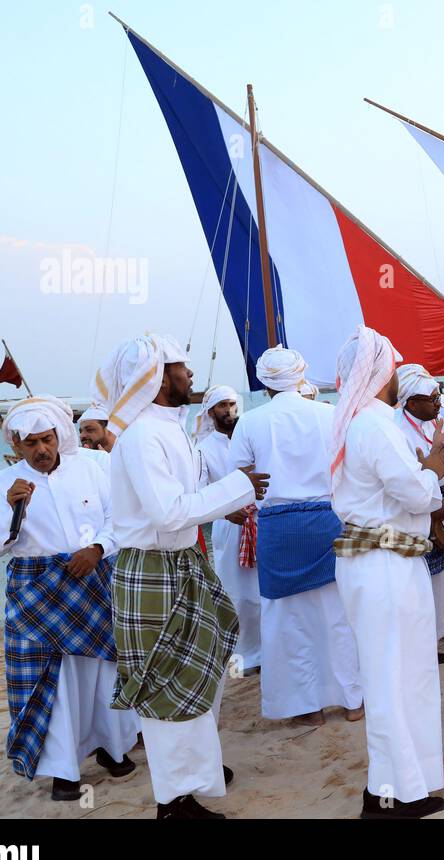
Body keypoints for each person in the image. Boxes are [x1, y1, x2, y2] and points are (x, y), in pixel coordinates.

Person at [99, 334, 268, 820]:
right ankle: (173, 803)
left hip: (183, 563)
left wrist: (227, 497)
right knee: (165, 682)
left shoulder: (168, 429)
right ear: (154, 376)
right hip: (153, 569)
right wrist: (237, 488)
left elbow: (184, 508)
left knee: (202, 671)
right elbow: (169, 512)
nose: (190, 374)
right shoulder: (142, 436)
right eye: (180, 366)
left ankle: (196, 775)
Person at [330, 327, 444, 819]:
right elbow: (417, 495)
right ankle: (391, 796)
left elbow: (414, 486)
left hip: (388, 560)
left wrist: (434, 462)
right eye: (392, 365)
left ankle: (399, 785)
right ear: (380, 372)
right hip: (383, 563)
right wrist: (435, 465)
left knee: (407, 674)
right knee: (393, 678)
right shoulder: (373, 425)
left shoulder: (370, 421)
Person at [0, 396, 139, 801]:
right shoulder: (4, 484)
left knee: (102, 671)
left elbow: (117, 519)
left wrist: (98, 549)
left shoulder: (90, 468)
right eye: (30, 443)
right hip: (35, 591)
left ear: (59, 436)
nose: (41, 450)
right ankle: (63, 770)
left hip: (92, 579)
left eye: (46, 439)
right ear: (17, 446)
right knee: (52, 680)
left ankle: (111, 748)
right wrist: (12, 509)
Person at [229, 348, 364, 724]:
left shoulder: (251, 422)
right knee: (339, 613)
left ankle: (306, 708)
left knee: (287, 619)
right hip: (327, 519)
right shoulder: (328, 413)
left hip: (278, 525)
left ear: (264, 383)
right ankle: (353, 700)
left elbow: (238, 480)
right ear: (301, 376)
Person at [194, 386, 261, 676]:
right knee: (236, 595)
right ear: (210, 412)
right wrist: (224, 509)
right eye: (222, 405)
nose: (228, 410)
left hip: (259, 523)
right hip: (228, 526)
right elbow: (197, 490)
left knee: (263, 591)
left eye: (232, 404)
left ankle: (268, 651)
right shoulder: (202, 449)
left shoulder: (249, 435)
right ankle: (243, 656)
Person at [395, 363, 444, 651]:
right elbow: (405, 481)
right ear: (411, 402)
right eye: (433, 399)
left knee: (441, 578)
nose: (439, 403)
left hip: (442, 504)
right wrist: (434, 508)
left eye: (439, 396)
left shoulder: (436, 423)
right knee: (422, 579)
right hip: (421, 510)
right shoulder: (395, 429)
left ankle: (439, 636)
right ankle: (425, 644)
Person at [77, 402, 115, 473]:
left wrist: (105, 460)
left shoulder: (127, 456)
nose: (81, 435)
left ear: (109, 429)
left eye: (89, 429)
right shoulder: (78, 460)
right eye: (80, 431)